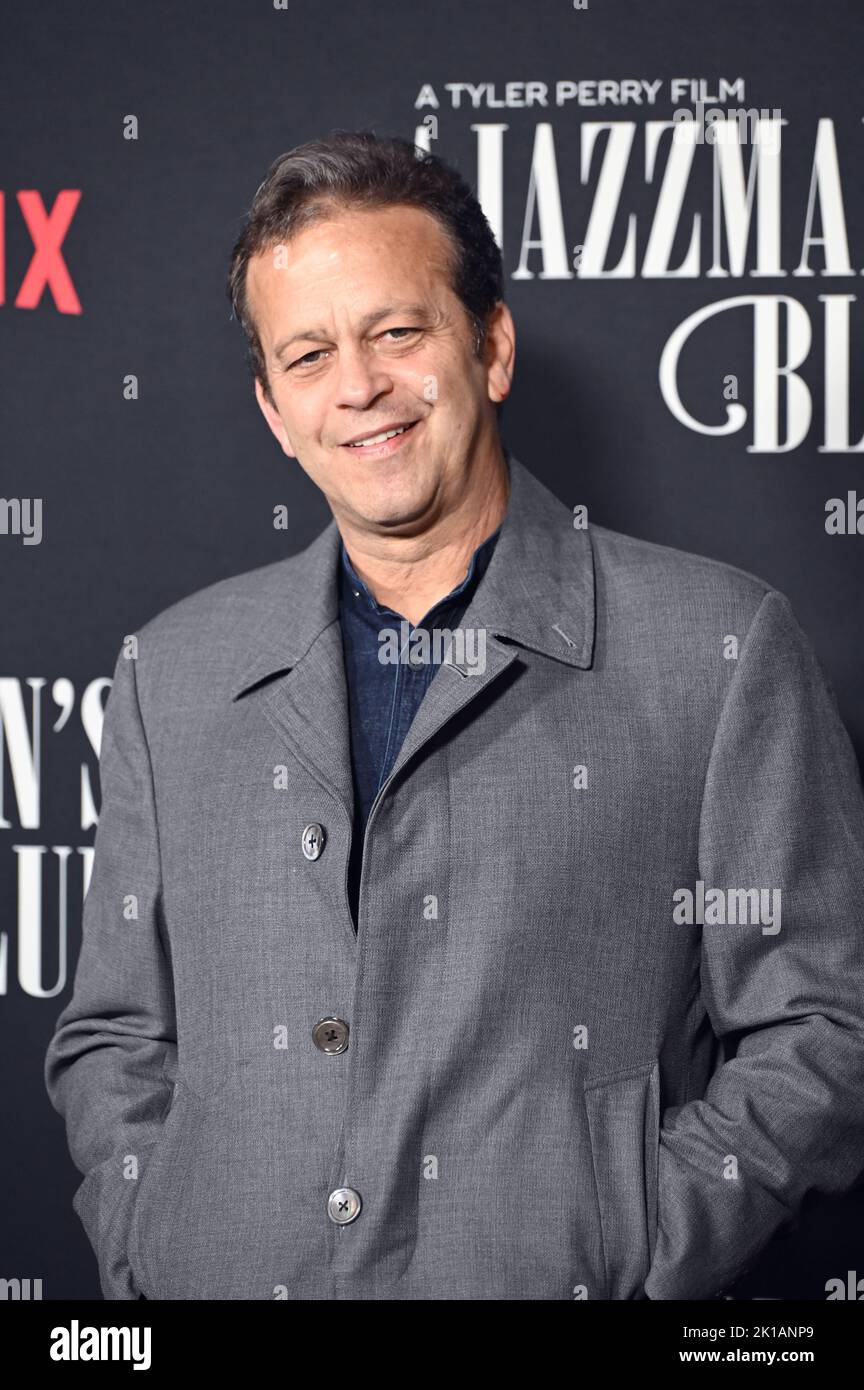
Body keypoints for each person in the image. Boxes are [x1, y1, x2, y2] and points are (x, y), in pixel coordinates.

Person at [44, 131, 864, 1301]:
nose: (359, 387)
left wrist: (629, 1246)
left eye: (396, 332)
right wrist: (153, 1240)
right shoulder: (171, 671)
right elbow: (115, 1034)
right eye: (311, 354)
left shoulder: (719, 651)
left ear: (491, 346)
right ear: (275, 411)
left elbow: (827, 1027)